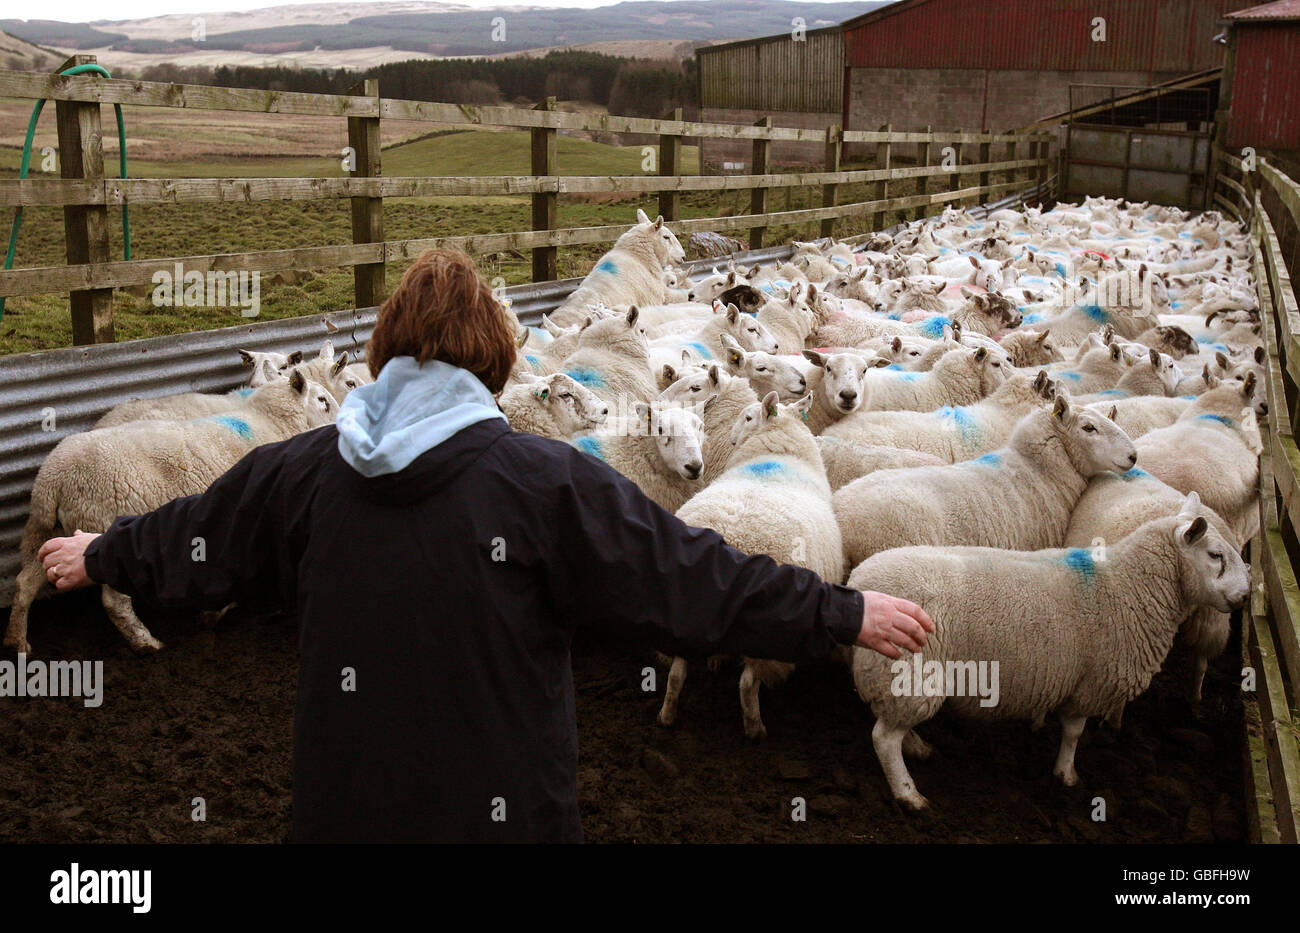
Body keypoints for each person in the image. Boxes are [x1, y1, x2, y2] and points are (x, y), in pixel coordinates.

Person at [38, 249, 933, 843]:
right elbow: (688, 578)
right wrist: (837, 608)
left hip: (347, 809)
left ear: (387, 353)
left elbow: (199, 532)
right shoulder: (544, 482)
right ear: (495, 361)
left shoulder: (304, 471)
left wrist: (104, 555)